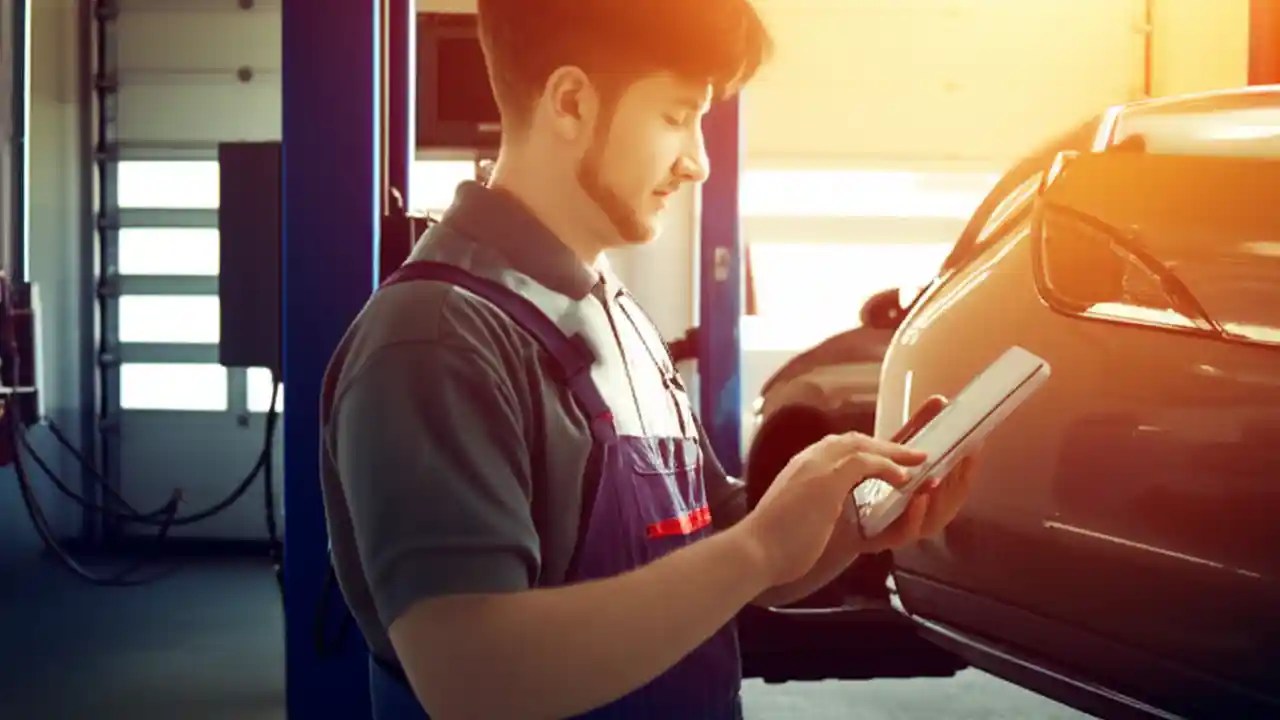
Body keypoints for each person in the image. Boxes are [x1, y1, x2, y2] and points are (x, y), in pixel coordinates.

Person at [318, 1, 979, 718]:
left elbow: (722, 555)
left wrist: (848, 524)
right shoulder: (436, 341)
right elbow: (473, 677)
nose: (698, 162)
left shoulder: (615, 313)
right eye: (675, 115)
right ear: (571, 102)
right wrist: (757, 548)